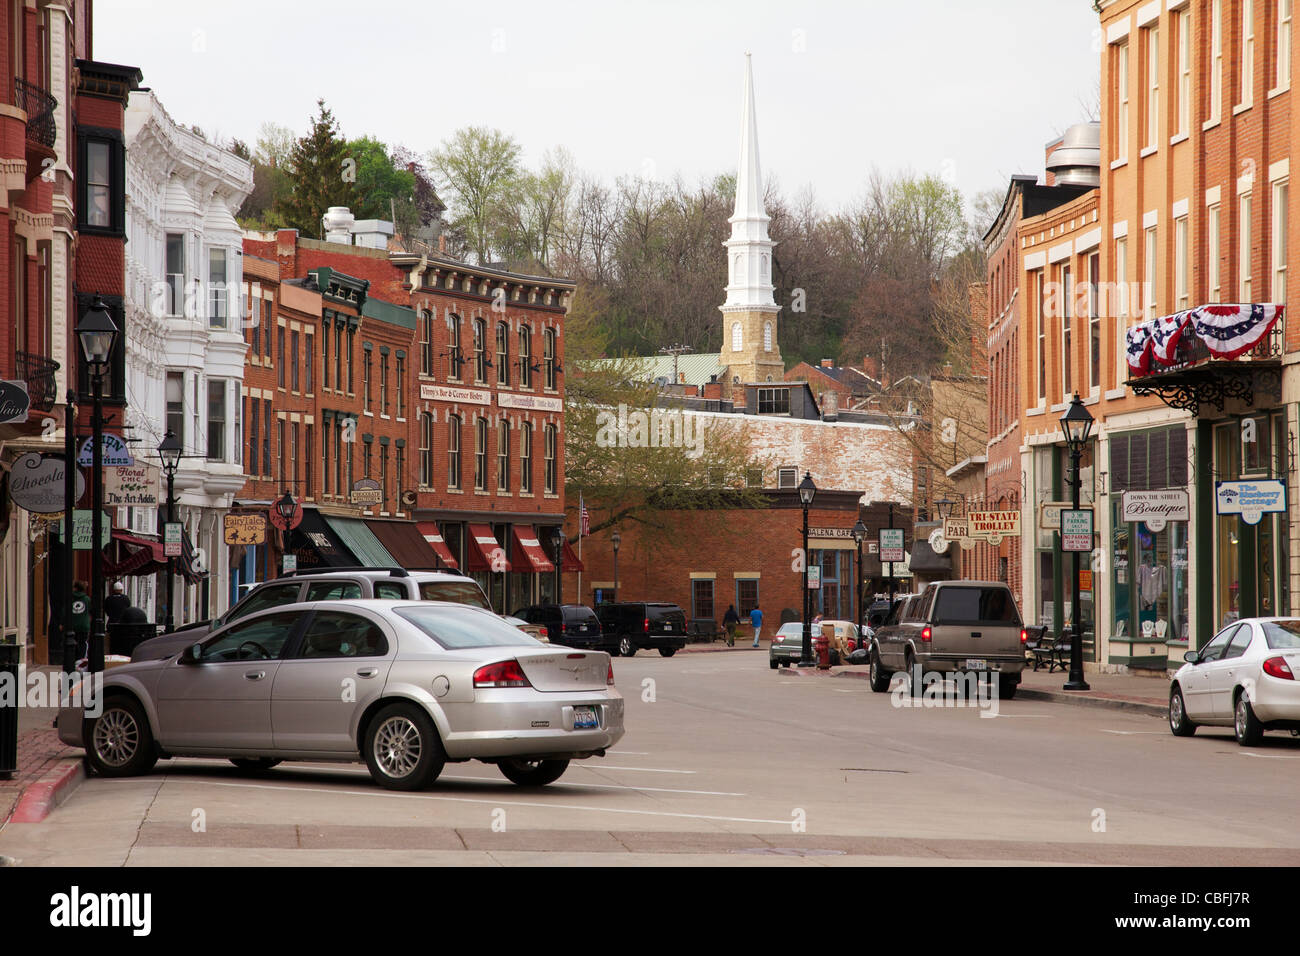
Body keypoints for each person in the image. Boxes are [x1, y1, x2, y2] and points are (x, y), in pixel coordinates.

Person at [70, 580, 91, 663]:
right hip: (84, 625)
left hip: (72, 624)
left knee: (72, 643)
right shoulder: (87, 599)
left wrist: (62, 623)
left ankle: (73, 659)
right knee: (83, 643)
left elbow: (65, 611)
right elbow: (90, 610)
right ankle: (81, 660)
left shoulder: (70, 599)